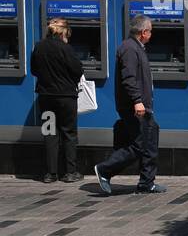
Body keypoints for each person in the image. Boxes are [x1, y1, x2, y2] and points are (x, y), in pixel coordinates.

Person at [94, 16, 166, 194]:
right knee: (140, 145)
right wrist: (137, 101)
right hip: (135, 107)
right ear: (143, 32)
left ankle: (146, 183)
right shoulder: (129, 49)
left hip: (143, 106)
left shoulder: (136, 47)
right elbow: (129, 79)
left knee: (150, 140)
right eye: (150, 32)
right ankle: (105, 169)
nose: (151, 35)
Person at [30, 17, 85, 184]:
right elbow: (77, 70)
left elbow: (34, 70)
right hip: (66, 98)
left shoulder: (38, 47)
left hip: (46, 98)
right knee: (69, 133)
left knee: (50, 134)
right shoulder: (66, 48)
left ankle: (50, 174)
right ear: (64, 31)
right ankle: (70, 172)